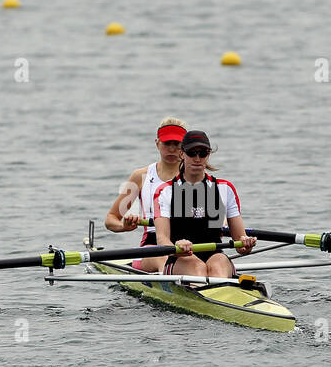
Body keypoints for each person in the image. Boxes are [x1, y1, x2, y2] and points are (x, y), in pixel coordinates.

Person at [152, 129, 256, 278]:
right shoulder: (165, 191)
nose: (197, 158)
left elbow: (240, 244)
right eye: (192, 153)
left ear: (208, 155)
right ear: (182, 154)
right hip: (179, 257)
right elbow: (162, 240)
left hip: (215, 255)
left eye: (203, 153)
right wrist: (176, 247)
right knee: (198, 268)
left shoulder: (224, 188)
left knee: (218, 265)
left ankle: (221, 293)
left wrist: (245, 243)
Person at [104, 119, 188, 272]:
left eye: (176, 144)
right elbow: (111, 220)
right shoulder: (140, 176)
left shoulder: (196, 177)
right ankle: (175, 280)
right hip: (152, 246)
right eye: (166, 143)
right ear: (157, 144)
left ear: (185, 146)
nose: (171, 149)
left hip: (188, 244)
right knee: (165, 256)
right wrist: (124, 226)